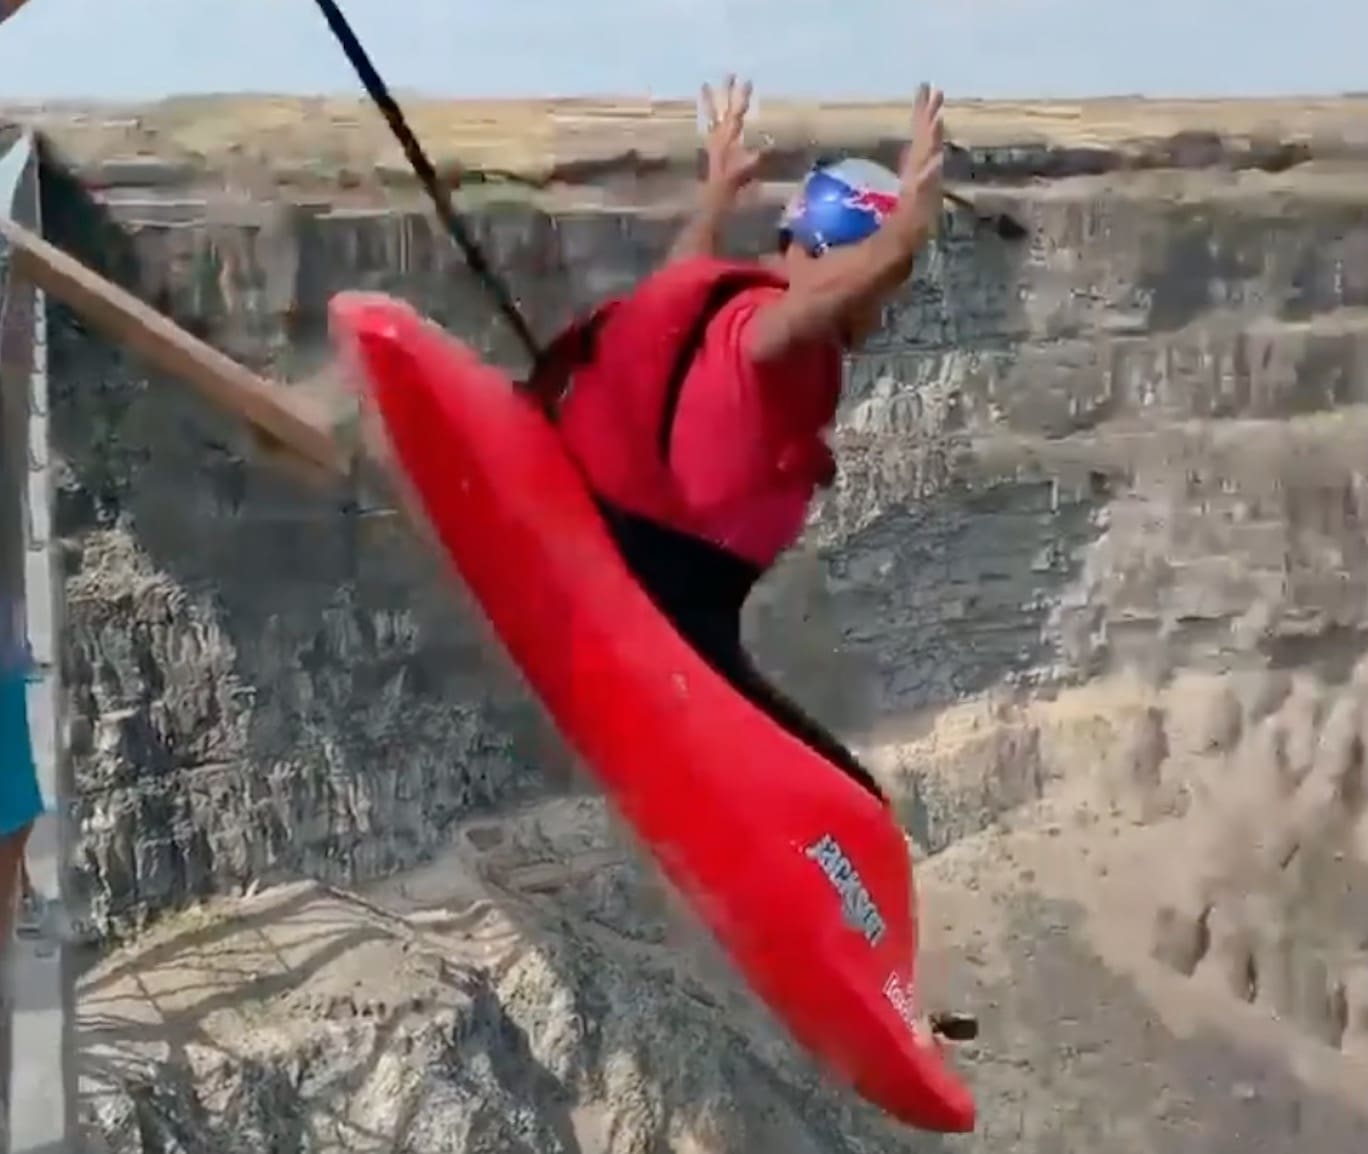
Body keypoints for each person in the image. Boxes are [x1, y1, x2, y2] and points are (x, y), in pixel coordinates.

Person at [531, 76, 946, 802]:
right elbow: (815, 306)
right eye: (881, 287)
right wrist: (907, 228)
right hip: (676, 614)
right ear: (839, 256)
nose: (880, 310)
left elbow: (675, 284)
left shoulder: (723, 304)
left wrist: (716, 194)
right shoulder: (779, 337)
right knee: (855, 800)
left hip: (645, 568)